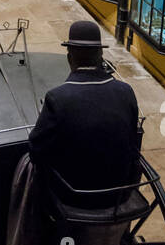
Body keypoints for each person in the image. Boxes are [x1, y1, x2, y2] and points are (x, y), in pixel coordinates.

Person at [28, 19, 142, 212]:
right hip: (119, 193)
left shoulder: (58, 98)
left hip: (75, 195)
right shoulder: (125, 91)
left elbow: (36, 150)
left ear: (69, 58)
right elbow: (133, 138)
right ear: (101, 56)